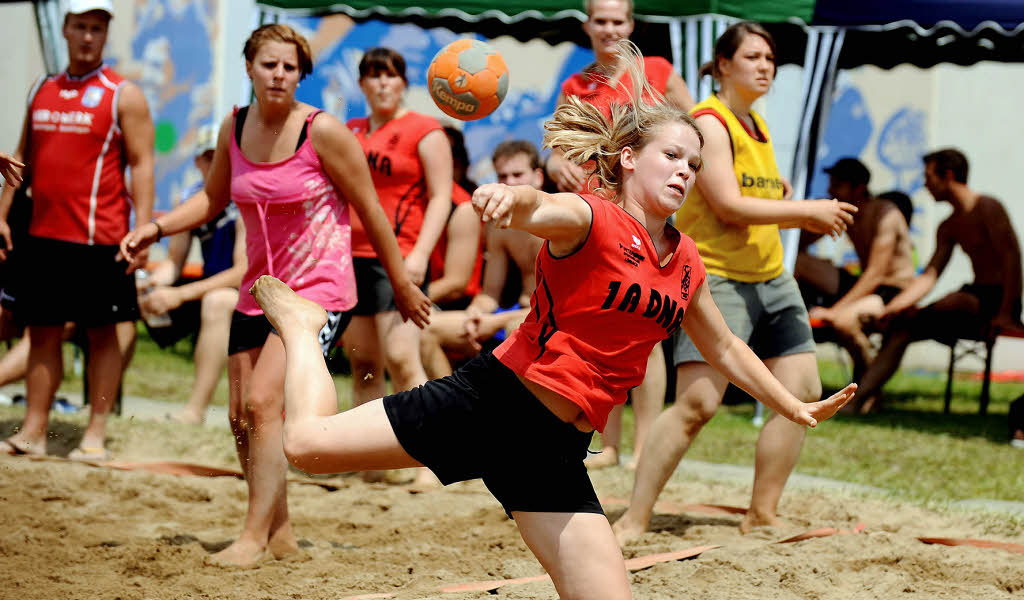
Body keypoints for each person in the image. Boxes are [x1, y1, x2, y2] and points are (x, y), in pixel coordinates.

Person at [249, 44, 855, 600]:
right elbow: (543, 206)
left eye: (693, 164)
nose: (684, 172)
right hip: (493, 404)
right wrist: (510, 199)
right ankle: (304, 330)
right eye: (671, 156)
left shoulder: (686, 258)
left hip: (552, 450)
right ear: (628, 158)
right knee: (305, 445)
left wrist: (790, 404)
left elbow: (723, 347)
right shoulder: (593, 218)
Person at [119, 24, 430, 567]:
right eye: (269, 64)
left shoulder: (323, 130)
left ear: (301, 74)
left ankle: (252, 536)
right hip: (257, 290)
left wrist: (402, 284)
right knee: (242, 415)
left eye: (290, 66)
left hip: (316, 291)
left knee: (265, 403)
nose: (279, 74)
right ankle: (280, 533)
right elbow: (213, 197)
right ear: (249, 69)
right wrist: (158, 227)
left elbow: (371, 210)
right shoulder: (234, 126)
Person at [613, 22, 859, 542]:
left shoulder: (755, 123)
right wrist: (803, 211)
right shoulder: (711, 121)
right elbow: (726, 205)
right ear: (723, 64)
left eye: (770, 57)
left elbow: (752, 193)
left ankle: (762, 514)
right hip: (717, 278)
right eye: (753, 56)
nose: (765, 65)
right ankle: (634, 518)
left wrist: (783, 198)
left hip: (771, 277)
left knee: (802, 393)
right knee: (698, 404)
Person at [0, 0, 154, 459]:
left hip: (100, 238)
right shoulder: (41, 89)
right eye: (80, 26)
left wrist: (143, 229)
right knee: (42, 334)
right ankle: (33, 429)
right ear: (65, 29)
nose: (88, 36)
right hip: (42, 238)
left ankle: (95, 434)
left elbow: (143, 166)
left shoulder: (122, 93)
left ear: (105, 35)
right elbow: (20, 160)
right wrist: (3, 215)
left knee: (103, 335)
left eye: (97, 28)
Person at [549, 0, 697, 470]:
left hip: (643, 217)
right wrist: (557, 164)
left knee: (644, 333)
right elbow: (557, 145)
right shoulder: (576, 84)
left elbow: (699, 130)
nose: (610, 29)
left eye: (618, 21)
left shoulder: (656, 70)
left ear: (631, 25)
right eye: (601, 21)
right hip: (594, 218)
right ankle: (607, 443)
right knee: (598, 328)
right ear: (587, 25)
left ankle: (644, 444)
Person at [342, 47, 452, 488]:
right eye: (372, 75)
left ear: (403, 82)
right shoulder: (349, 131)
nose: (382, 83)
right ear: (362, 84)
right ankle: (371, 461)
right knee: (364, 364)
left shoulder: (426, 131)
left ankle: (432, 460)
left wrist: (422, 254)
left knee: (404, 357)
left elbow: (442, 195)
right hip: (352, 258)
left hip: (401, 257)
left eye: (389, 75)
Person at [853, 148, 1023, 413]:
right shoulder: (949, 225)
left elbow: (1012, 259)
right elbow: (930, 275)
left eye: (929, 176)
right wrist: (892, 308)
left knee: (956, 300)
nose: (925, 184)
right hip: (971, 299)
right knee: (902, 326)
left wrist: (1006, 312)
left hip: (998, 300)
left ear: (949, 175)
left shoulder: (987, 207)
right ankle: (859, 400)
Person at [138, 126, 248, 425]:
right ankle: (103, 408)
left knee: (218, 301)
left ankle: (194, 411)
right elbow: (174, 261)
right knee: (127, 296)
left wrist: (179, 294)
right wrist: (150, 285)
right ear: (198, 162)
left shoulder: (245, 195)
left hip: (249, 292)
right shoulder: (191, 197)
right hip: (207, 286)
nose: (216, 163)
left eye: (223, 156)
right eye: (209, 157)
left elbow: (242, 272)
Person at [420, 140, 544, 379]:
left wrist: (496, 322)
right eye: (502, 176)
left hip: (548, 321)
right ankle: (447, 411)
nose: (510, 183)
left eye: (518, 174)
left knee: (513, 331)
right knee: (425, 331)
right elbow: (490, 293)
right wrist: (475, 313)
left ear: (538, 177)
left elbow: (559, 308)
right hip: (517, 313)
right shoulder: (501, 227)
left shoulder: (557, 225)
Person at [795, 158, 915, 380]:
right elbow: (796, 246)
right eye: (830, 184)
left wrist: (834, 311)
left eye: (837, 185)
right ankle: (785, 316)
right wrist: (809, 216)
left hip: (891, 292)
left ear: (859, 188)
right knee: (796, 261)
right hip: (866, 286)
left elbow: (876, 274)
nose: (830, 190)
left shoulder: (885, 213)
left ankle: (868, 384)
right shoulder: (845, 211)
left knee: (843, 322)